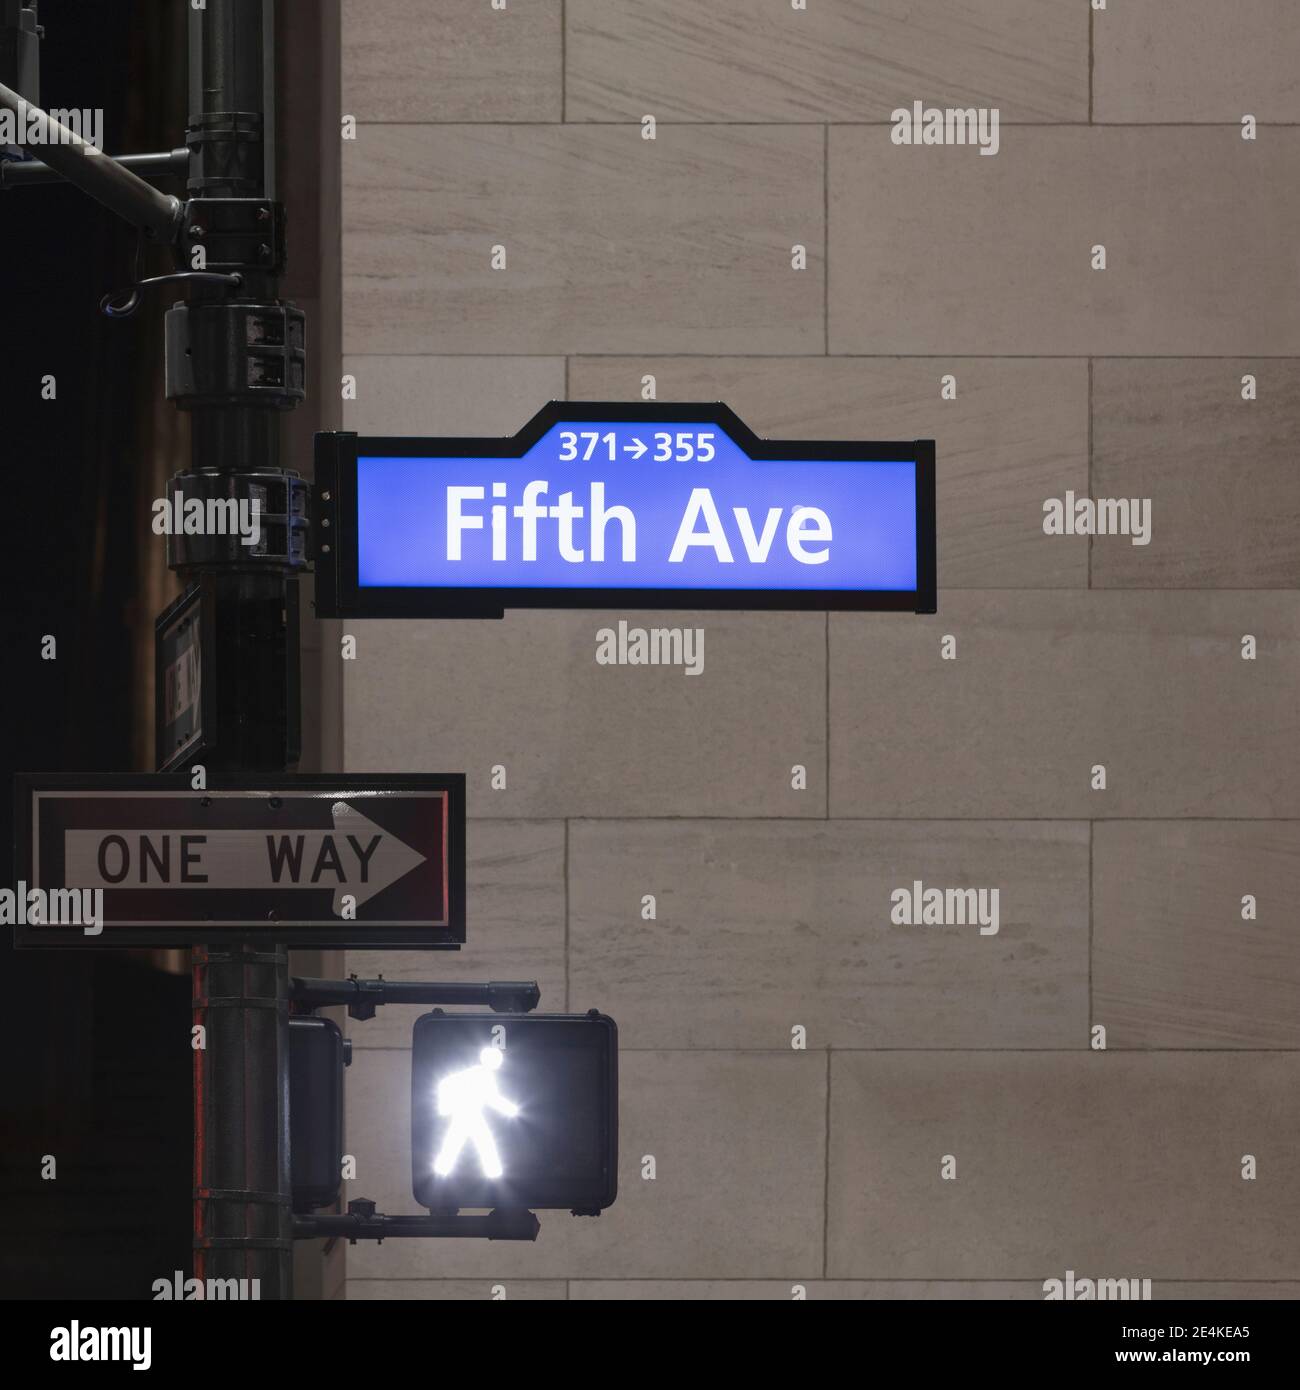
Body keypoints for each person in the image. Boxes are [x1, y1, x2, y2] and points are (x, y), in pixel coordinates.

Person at [433, 1046, 519, 1180]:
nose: (499, 1063)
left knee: (459, 1143)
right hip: (467, 1114)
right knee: (482, 1142)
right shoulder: (482, 1074)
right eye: (497, 1060)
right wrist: (511, 1110)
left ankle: (442, 1171)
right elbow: (492, 1098)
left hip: (468, 1114)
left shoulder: (479, 1073)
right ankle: (494, 1175)